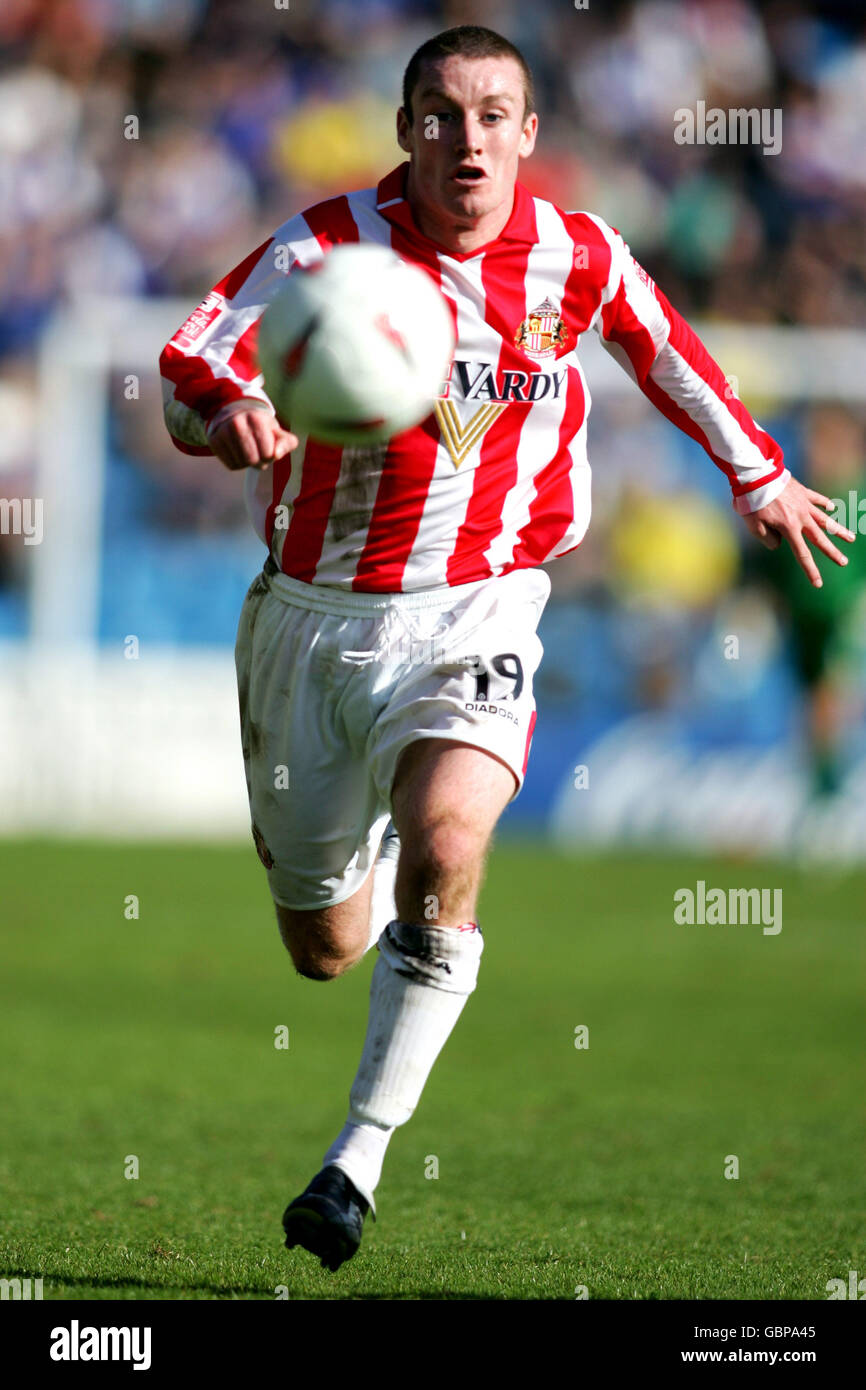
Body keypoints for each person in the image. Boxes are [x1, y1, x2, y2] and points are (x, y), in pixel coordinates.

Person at [159, 25, 854, 1272]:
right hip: (310, 622)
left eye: (492, 115)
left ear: (528, 135)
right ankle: (365, 861)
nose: (465, 138)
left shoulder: (574, 253)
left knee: (449, 837)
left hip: (478, 607)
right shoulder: (326, 246)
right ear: (404, 129)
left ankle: (354, 1161)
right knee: (323, 949)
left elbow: (664, 348)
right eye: (438, 113)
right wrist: (232, 412)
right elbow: (186, 365)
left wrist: (758, 475)